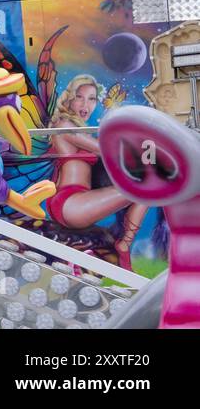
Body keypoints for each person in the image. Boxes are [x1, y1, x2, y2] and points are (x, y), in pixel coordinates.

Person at [44, 74, 148, 269]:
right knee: (146, 186)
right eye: (79, 97)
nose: (86, 104)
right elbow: (106, 150)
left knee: (146, 185)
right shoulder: (65, 126)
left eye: (92, 98)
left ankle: (124, 244)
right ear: (69, 99)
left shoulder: (79, 128)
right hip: (69, 202)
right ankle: (124, 244)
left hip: (78, 199)